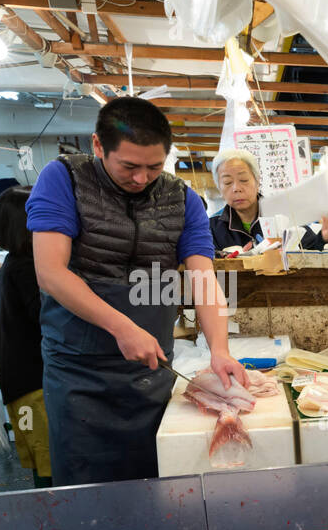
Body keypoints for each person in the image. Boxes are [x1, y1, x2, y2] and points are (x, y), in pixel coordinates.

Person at [27, 96, 246, 485]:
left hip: (151, 371)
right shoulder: (63, 177)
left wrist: (220, 350)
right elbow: (51, 273)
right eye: (129, 166)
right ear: (98, 146)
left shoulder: (182, 198)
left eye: (154, 167)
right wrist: (121, 327)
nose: (142, 178)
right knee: (88, 491)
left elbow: (203, 277)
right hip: (80, 374)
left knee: (160, 483)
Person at [0, 186, 52, 486]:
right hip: (34, 387)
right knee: (48, 461)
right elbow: (48, 320)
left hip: (18, 389)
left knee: (39, 457)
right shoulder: (27, 268)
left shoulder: (9, 268)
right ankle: (58, 522)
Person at [209, 149, 328, 254]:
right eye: (227, 182)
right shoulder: (212, 227)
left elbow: (313, 252)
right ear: (219, 188)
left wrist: (325, 237)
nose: (236, 188)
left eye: (243, 180)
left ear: (257, 181)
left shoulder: (283, 215)